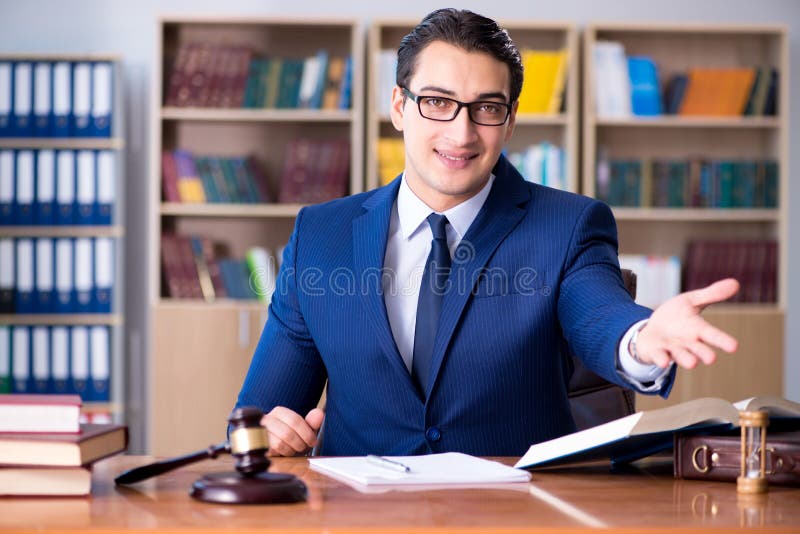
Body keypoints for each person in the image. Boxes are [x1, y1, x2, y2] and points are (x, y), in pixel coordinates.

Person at [234, 8, 739, 457]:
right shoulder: (321, 235)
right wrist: (270, 433)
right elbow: (255, 419)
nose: (461, 133)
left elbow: (598, 313)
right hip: (359, 511)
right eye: (438, 102)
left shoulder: (568, 226)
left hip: (512, 509)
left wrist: (642, 340)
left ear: (510, 120)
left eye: (488, 108)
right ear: (399, 107)